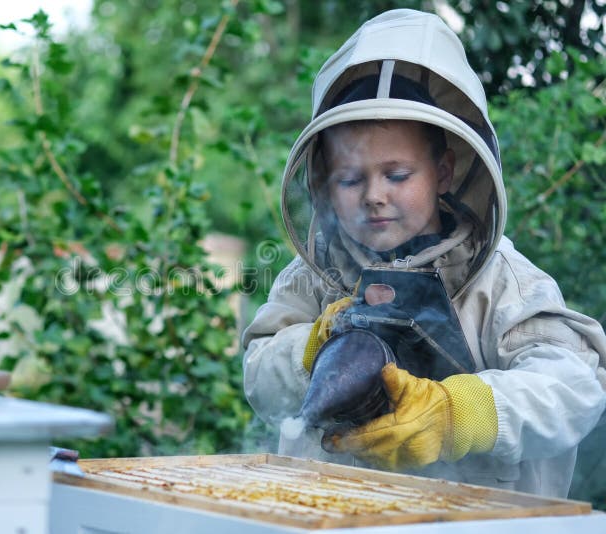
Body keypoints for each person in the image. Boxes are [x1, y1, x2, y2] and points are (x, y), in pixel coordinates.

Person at [242, 8, 606, 498]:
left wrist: (457, 413)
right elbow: (260, 377)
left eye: (397, 175)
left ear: (444, 172)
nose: (374, 195)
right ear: (326, 183)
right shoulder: (312, 277)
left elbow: (573, 387)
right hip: (328, 511)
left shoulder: (505, 283)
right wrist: (310, 349)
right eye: (351, 179)